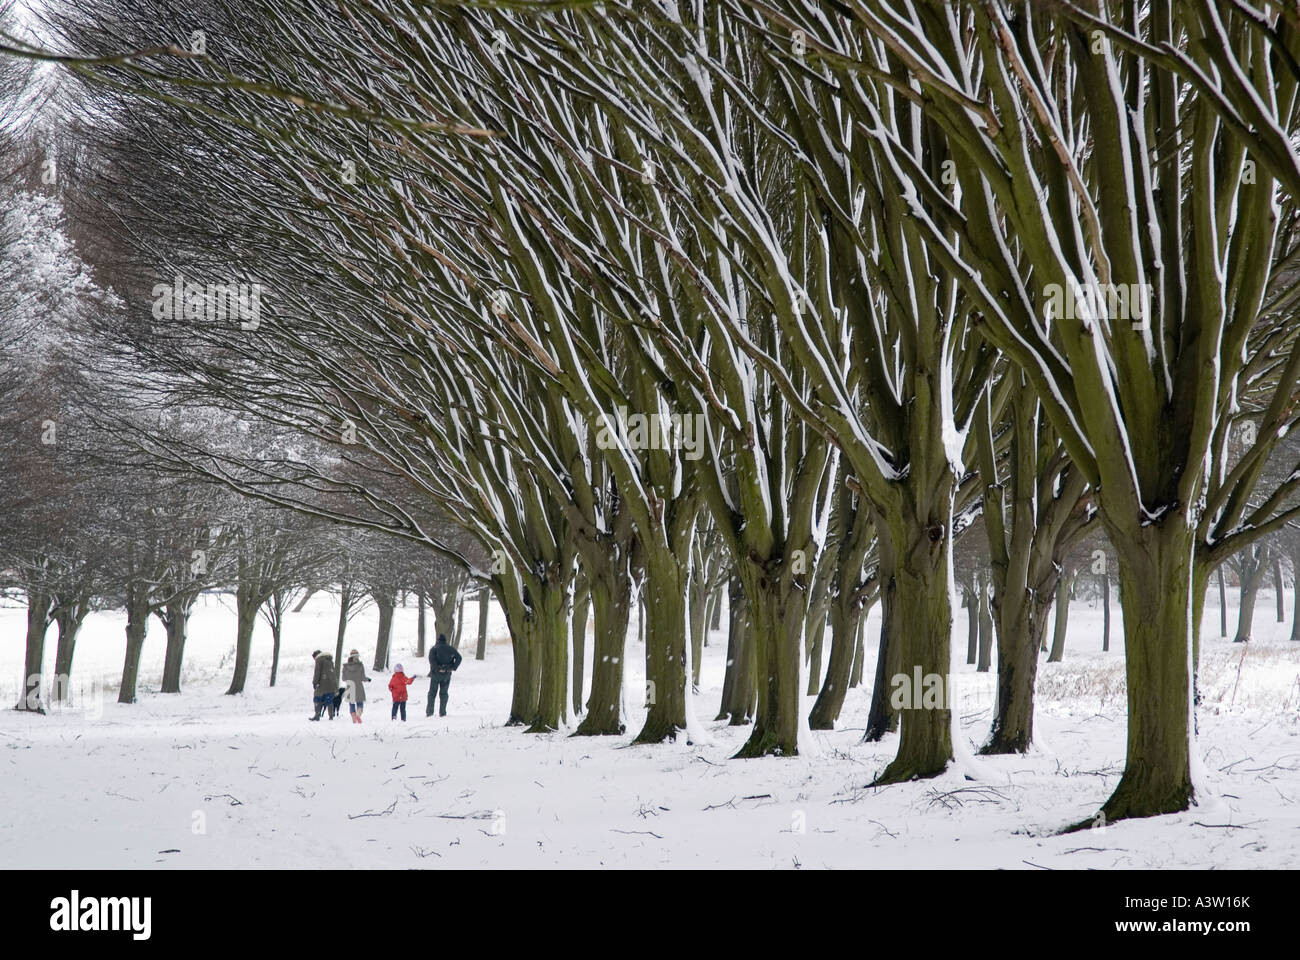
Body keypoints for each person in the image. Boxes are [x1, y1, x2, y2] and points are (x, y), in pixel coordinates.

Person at [426, 633, 462, 717]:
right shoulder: (451, 649)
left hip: (436, 675)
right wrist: (453, 667)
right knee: (444, 693)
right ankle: (442, 712)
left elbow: (431, 660)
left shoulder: (434, 649)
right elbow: (459, 658)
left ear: (438, 640)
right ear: (445, 641)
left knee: (432, 693)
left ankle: (430, 712)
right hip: (446, 674)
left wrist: (437, 668)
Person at [341, 649, 371, 723]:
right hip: (358, 686)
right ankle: (358, 715)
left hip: (349, 686)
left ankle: (354, 719)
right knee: (360, 703)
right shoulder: (360, 665)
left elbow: (343, 678)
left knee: (351, 704)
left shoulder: (345, 667)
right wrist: (368, 679)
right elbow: (363, 678)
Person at [310, 650, 339, 721]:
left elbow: (317, 672)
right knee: (329, 700)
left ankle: (317, 715)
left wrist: (315, 682)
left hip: (322, 683)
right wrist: (335, 686)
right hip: (331, 684)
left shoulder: (319, 660)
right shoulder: (330, 660)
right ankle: (331, 716)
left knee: (317, 698)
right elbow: (333, 674)